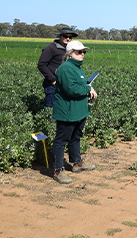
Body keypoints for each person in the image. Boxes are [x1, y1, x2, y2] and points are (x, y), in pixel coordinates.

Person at [52, 40, 98, 184]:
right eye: (79, 52)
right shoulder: (66, 68)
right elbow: (71, 89)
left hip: (79, 110)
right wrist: (87, 89)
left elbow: (82, 85)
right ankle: (58, 170)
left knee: (75, 137)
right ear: (70, 53)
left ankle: (77, 163)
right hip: (68, 111)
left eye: (84, 52)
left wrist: (89, 88)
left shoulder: (78, 68)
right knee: (61, 140)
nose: (82, 54)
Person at [38, 27, 78, 108]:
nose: (68, 39)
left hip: (65, 85)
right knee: (52, 109)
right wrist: (53, 80)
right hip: (52, 85)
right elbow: (41, 65)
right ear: (59, 36)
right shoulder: (51, 48)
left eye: (70, 37)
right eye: (65, 36)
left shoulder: (70, 50)